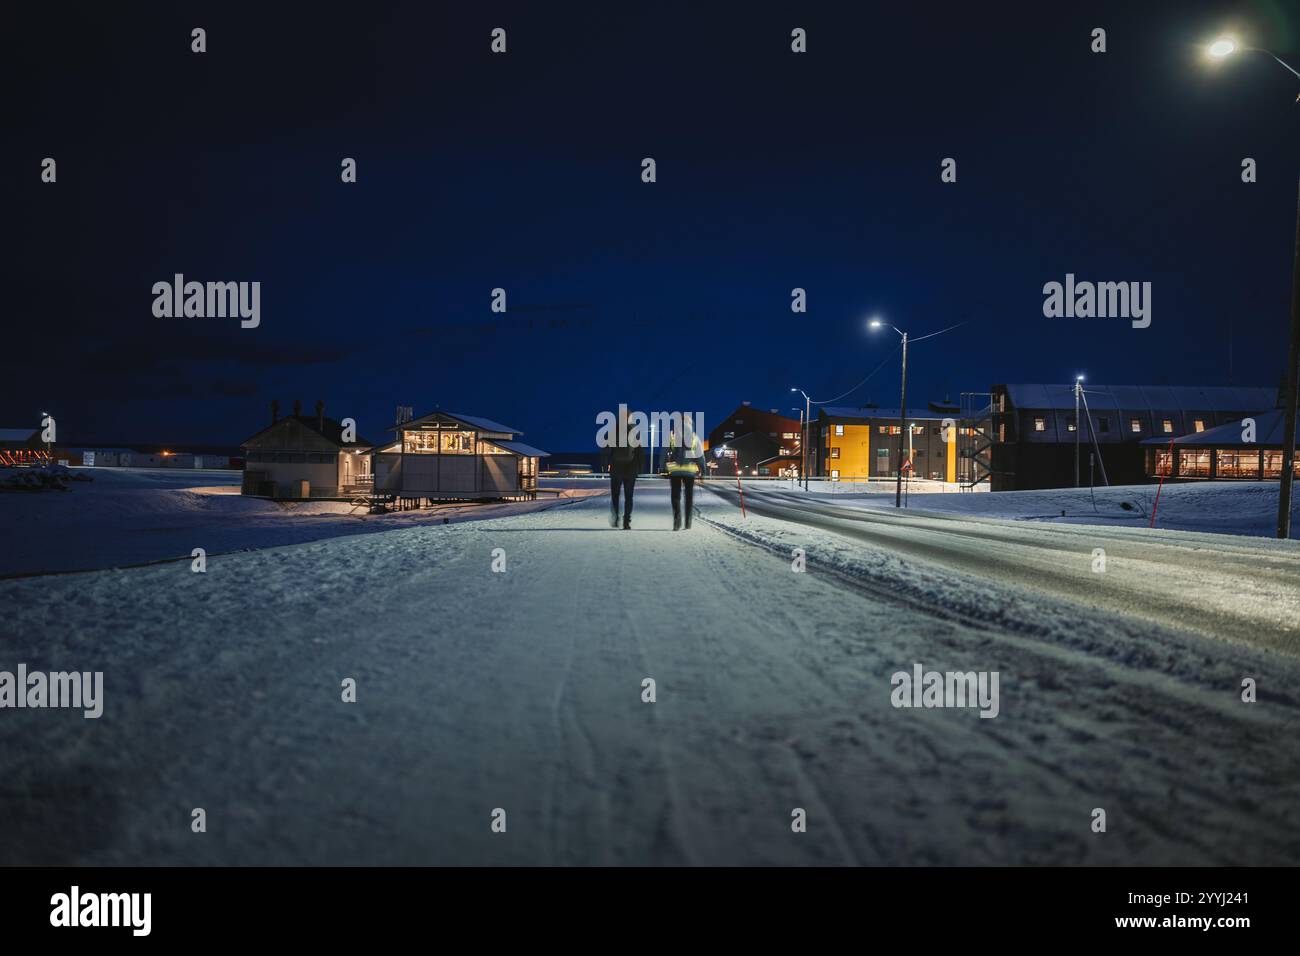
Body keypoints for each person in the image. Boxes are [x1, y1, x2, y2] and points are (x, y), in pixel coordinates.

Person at [601, 409, 641, 529]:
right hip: (630, 468)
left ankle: (616, 517)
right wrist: (639, 467)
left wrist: (604, 464)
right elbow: (639, 450)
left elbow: (606, 450)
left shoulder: (612, 431)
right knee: (629, 496)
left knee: (615, 495)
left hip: (616, 467)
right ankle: (626, 521)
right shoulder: (635, 431)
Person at [665, 425, 706, 530]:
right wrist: (703, 471)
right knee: (689, 497)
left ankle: (677, 522)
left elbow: (665, 453)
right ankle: (688, 523)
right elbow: (700, 456)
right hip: (690, 471)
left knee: (675, 496)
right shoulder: (694, 438)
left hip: (675, 470)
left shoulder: (672, 437)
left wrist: (663, 468)